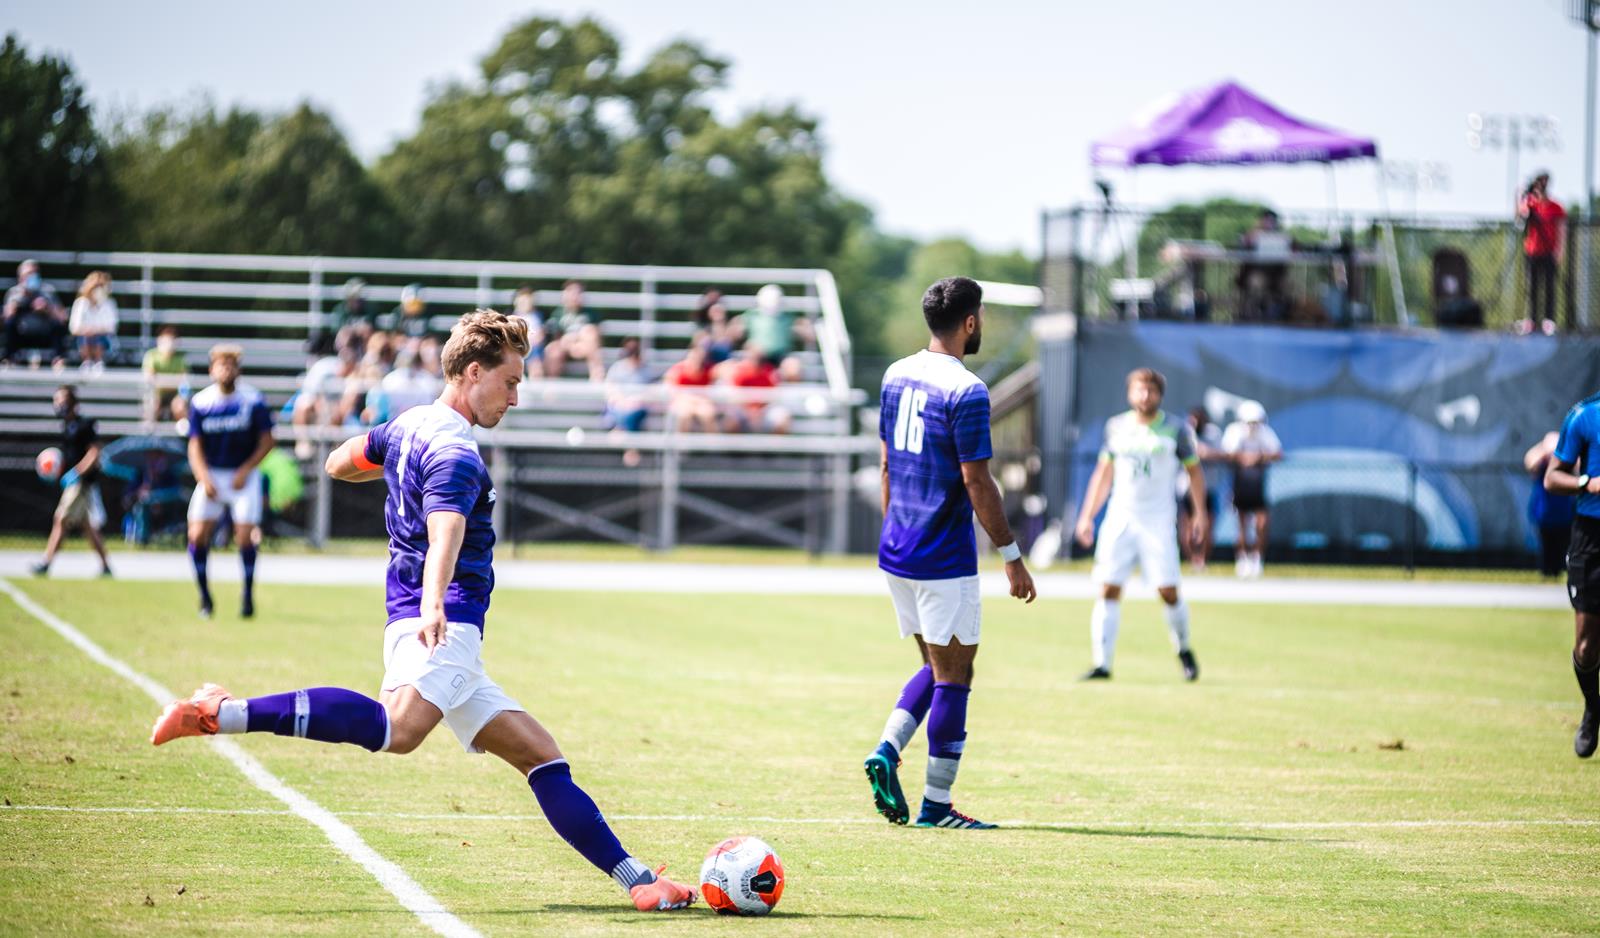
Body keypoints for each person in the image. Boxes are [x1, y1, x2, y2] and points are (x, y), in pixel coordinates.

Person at [148, 310, 698, 913]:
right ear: (471, 372)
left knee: (543, 757)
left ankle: (640, 882)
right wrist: (437, 601)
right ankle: (221, 714)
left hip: (413, 614)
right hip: (444, 620)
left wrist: (390, 468)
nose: (516, 397)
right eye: (510, 381)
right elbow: (446, 533)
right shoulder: (458, 454)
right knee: (397, 731)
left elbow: (339, 461)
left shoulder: (410, 424)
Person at [862, 276, 1036, 832]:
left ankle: (888, 751)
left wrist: (894, 529)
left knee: (935, 668)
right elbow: (978, 482)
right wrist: (1011, 553)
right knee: (956, 677)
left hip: (898, 548)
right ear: (969, 322)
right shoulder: (968, 390)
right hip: (942, 555)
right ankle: (936, 807)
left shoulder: (895, 374)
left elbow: (887, 462)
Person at [1072, 369, 1206, 682]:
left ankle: (1183, 648)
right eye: (1139, 390)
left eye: (1151, 391)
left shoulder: (1176, 429)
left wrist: (1199, 514)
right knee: (1108, 587)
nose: (1145, 396)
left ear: (1160, 395)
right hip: (1121, 518)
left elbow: (1194, 473)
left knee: (1168, 590)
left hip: (1157, 521)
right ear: (1130, 393)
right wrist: (1087, 515)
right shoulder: (1116, 427)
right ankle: (1102, 663)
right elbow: (1104, 473)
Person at [186, 344, 275, 619]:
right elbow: (194, 445)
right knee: (196, 535)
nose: (225, 370)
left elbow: (267, 440)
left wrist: (245, 470)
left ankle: (247, 595)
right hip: (213, 474)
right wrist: (203, 476)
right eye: (220, 365)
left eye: (230, 365)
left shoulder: (252, 400)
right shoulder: (201, 402)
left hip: (242, 476)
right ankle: (204, 597)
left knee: (244, 536)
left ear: (238, 369)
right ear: (212, 369)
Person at [1543, 392, 1600, 758]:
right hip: (1591, 538)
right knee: (1586, 645)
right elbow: (1552, 478)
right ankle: (1593, 707)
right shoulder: (1584, 416)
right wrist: (1586, 483)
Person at [30, 385, 113, 578]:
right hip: (74, 482)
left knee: (61, 519)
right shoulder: (66, 427)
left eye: (62, 401)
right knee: (87, 526)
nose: (58, 405)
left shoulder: (84, 424)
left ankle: (46, 562)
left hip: (81, 483)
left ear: (72, 403)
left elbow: (94, 453)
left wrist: (76, 472)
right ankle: (106, 566)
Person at [1222, 401, 1283, 579]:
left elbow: (1277, 453)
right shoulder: (1234, 432)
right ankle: (1242, 559)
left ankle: (1257, 559)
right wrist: (1244, 457)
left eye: (1255, 422)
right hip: (1240, 484)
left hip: (1259, 485)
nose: (1252, 426)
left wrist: (1259, 457)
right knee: (1241, 525)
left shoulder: (1265, 433)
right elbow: (1228, 453)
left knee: (1262, 524)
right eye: (1249, 422)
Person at [1518, 172, 1567, 336]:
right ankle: (1531, 320)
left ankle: (1549, 320)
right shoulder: (1531, 205)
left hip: (1549, 252)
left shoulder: (1556, 207)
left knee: (1549, 287)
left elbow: (1562, 229)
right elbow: (1520, 216)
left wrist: (1559, 250)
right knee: (1532, 287)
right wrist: (1522, 195)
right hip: (1532, 251)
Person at [1179, 405, 1224, 570]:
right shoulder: (1183, 433)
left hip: (1208, 488)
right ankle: (1191, 559)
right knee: (1188, 527)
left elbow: (1222, 454)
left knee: (1207, 525)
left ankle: (1202, 560)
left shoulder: (1213, 434)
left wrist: (1207, 453)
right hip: (1186, 489)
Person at [1527, 431, 1576, 578]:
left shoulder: (1565, 462)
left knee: (1563, 547)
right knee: (1546, 547)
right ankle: (1546, 573)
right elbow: (1530, 463)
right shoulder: (1541, 463)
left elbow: (1578, 468)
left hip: (1564, 514)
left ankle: (1560, 573)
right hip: (1544, 514)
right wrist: (1543, 449)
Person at [2, 259, 69, 365]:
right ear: (20, 277)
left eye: (34, 273)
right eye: (28, 273)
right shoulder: (14, 292)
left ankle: (59, 359)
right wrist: (20, 302)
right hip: (22, 335)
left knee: (57, 325)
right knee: (10, 324)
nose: (32, 276)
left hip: (45, 334)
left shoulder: (48, 290)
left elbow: (62, 318)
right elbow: (6, 318)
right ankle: (9, 359)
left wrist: (47, 308)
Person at [730, 284, 813, 366]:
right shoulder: (752, 315)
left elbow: (808, 334)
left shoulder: (788, 316)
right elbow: (734, 333)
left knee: (793, 367)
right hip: (758, 355)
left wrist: (806, 327)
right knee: (752, 355)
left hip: (782, 355)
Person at [721, 342, 791, 434]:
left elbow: (772, 395)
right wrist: (750, 410)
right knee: (730, 421)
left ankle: (776, 447)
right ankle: (732, 448)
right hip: (743, 408)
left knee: (782, 419)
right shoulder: (739, 371)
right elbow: (735, 395)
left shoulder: (769, 372)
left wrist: (757, 410)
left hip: (763, 409)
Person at [543, 280, 605, 381]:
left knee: (589, 331)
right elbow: (556, 338)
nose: (575, 296)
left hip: (584, 346)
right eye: (572, 292)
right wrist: (569, 343)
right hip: (565, 346)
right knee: (552, 350)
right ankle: (551, 388)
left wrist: (576, 339)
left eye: (578, 292)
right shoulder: (558, 313)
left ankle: (597, 378)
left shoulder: (591, 313)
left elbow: (597, 336)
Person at [663, 342, 718, 433]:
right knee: (684, 415)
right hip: (684, 400)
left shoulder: (708, 370)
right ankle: (682, 446)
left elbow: (722, 370)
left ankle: (711, 445)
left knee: (708, 414)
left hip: (701, 401)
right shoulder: (678, 369)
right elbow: (668, 383)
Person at [69, 271, 119, 371]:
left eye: (102, 286)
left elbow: (112, 327)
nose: (99, 289)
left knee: (98, 336)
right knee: (86, 336)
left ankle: (98, 362)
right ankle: (87, 362)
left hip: (104, 341)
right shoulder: (81, 303)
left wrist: (94, 330)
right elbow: (73, 328)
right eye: (96, 286)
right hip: (82, 340)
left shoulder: (109, 303)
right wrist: (88, 331)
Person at [142, 325, 190, 423]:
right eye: (166, 339)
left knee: (180, 406)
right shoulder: (151, 355)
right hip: (155, 394)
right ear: (159, 340)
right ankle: (148, 434)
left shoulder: (180, 359)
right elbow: (149, 379)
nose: (169, 342)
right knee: (152, 405)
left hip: (174, 395)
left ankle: (183, 435)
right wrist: (173, 383)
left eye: (172, 339)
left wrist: (182, 397)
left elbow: (184, 383)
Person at [509, 284, 546, 376]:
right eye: (522, 301)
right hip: (516, 347)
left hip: (533, 348)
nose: (525, 304)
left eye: (528, 301)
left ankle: (536, 385)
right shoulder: (511, 317)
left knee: (535, 364)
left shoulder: (537, 317)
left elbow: (540, 335)